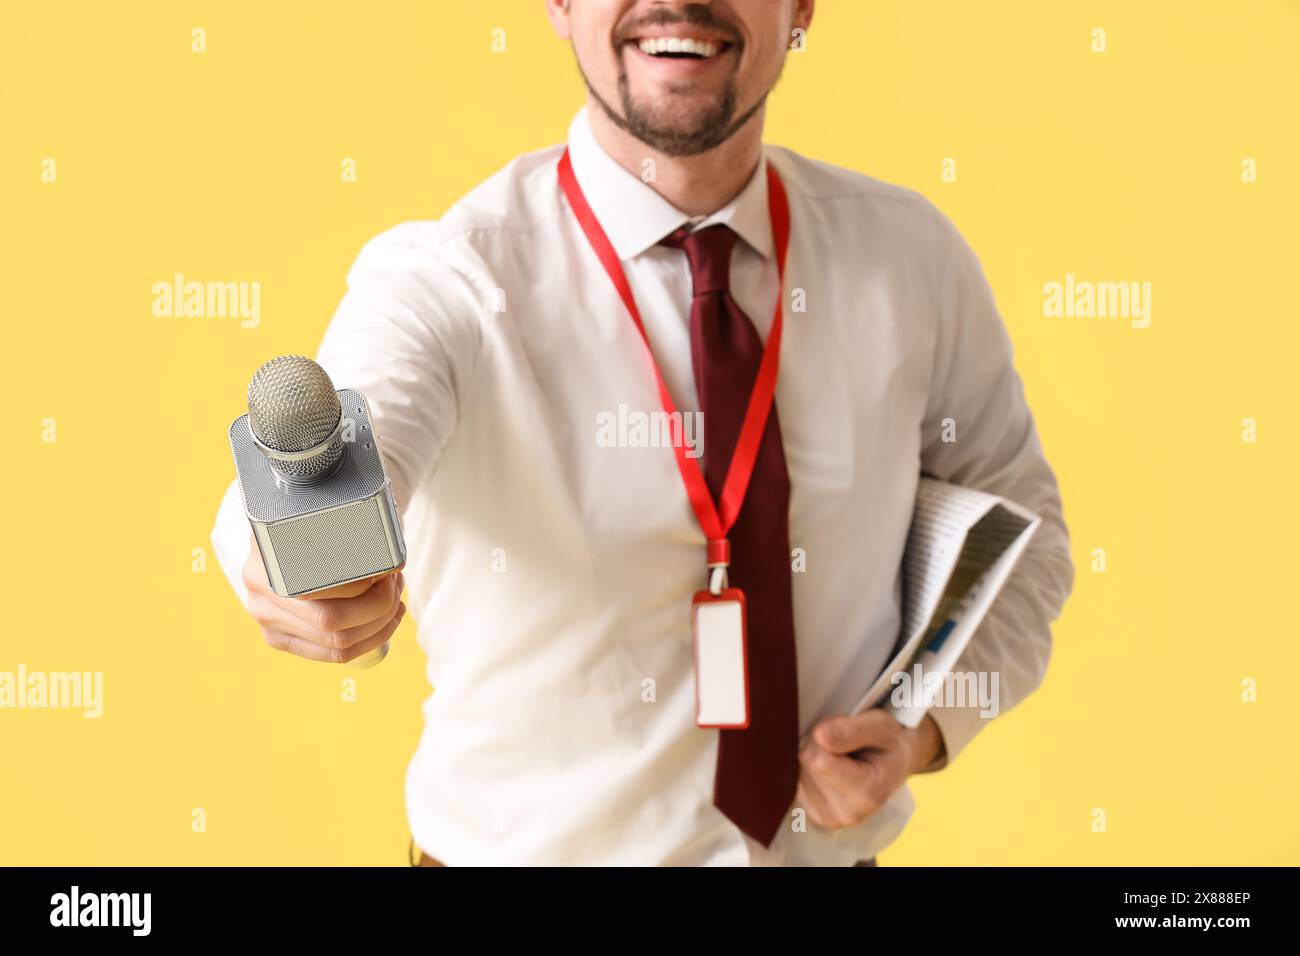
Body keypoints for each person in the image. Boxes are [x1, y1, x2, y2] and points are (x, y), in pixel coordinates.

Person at [211, 0, 1074, 866]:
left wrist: (923, 728)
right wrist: (297, 564)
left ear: (802, 8)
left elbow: (1026, 542)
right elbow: (345, 447)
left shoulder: (912, 259)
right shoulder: (448, 278)